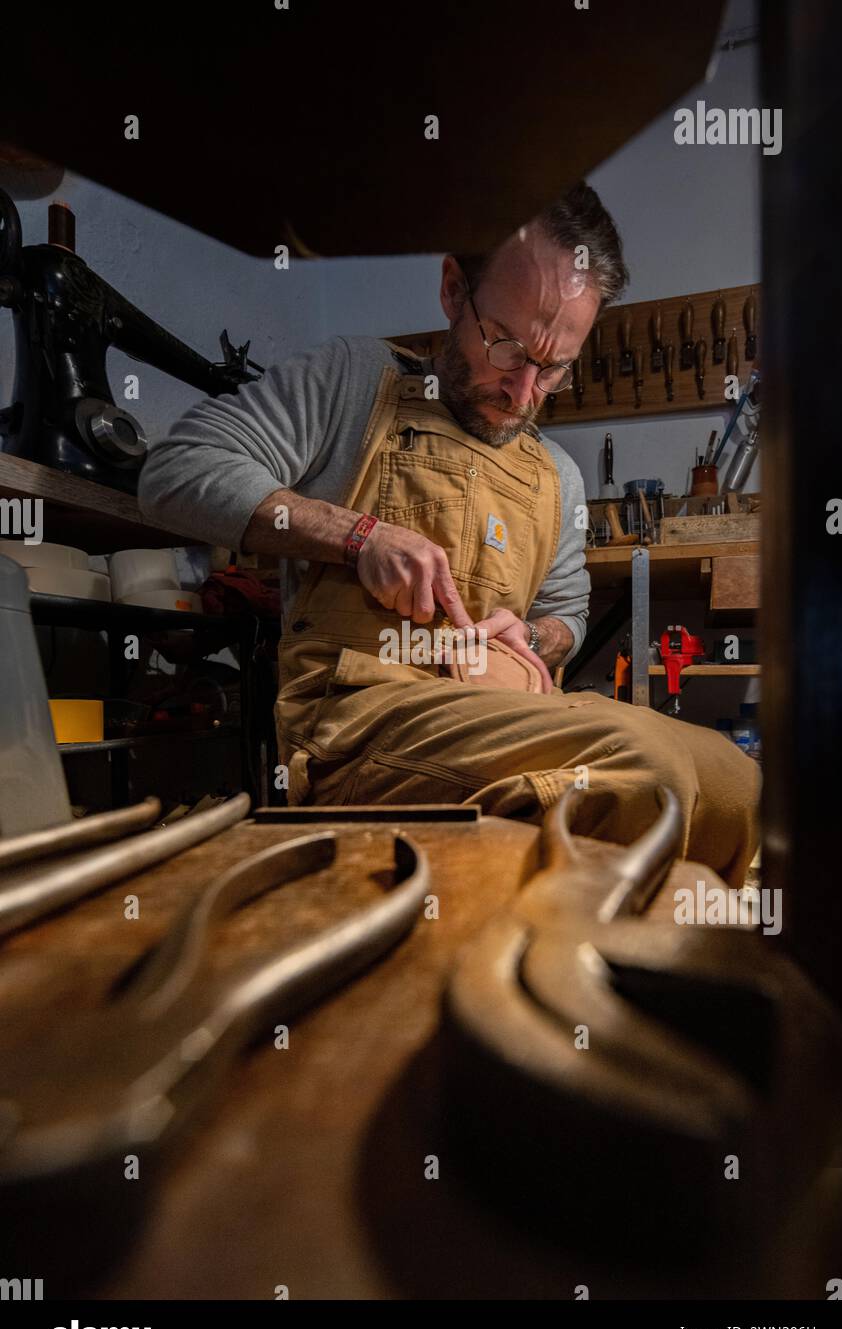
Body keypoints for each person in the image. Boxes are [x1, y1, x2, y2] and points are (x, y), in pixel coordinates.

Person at [139, 182, 760, 887]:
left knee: (736, 779)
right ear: (452, 289)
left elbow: (567, 618)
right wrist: (358, 535)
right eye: (508, 350)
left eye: (553, 368)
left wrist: (534, 639)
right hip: (363, 726)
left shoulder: (557, 474)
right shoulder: (355, 380)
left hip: (497, 715)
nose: (525, 393)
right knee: (644, 766)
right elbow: (174, 474)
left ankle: (620, 962)